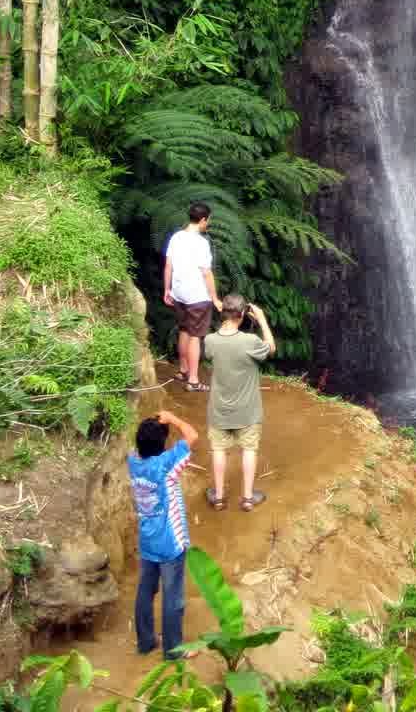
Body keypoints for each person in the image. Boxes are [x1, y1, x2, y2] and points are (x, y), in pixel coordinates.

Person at [127, 409, 198, 659]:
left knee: (145, 592)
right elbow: (192, 434)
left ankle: (146, 642)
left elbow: (142, 446)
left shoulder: (133, 462)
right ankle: (174, 650)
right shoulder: (167, 466)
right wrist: (173, 419)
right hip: (170, 543)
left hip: (147, 542)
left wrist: (153, 428)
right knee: (173, 597)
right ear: (162, 445)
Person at [203, 293, 275, 512]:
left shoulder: (210, 341)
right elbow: (271, 348)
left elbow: (210, 355)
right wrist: (261, 320)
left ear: (223, 312)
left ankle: (219, 498)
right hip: (247, 411)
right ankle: (247, 498)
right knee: (249, 449)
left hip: (219, 410)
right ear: (244, 314)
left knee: (218, 449)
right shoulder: (250, 342)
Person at [164, 202, 221, 391]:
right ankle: (194, 380)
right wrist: (214, 298)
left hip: (178, 292)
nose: (208, 223)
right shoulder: (201, 243)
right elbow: (206, 273)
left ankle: (183, 370)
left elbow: (168, 266)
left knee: (184, 330)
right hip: (197, 296)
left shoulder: (176, 237)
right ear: (203, 219)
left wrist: (167, 290)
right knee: (195, 336)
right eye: (208, 220)